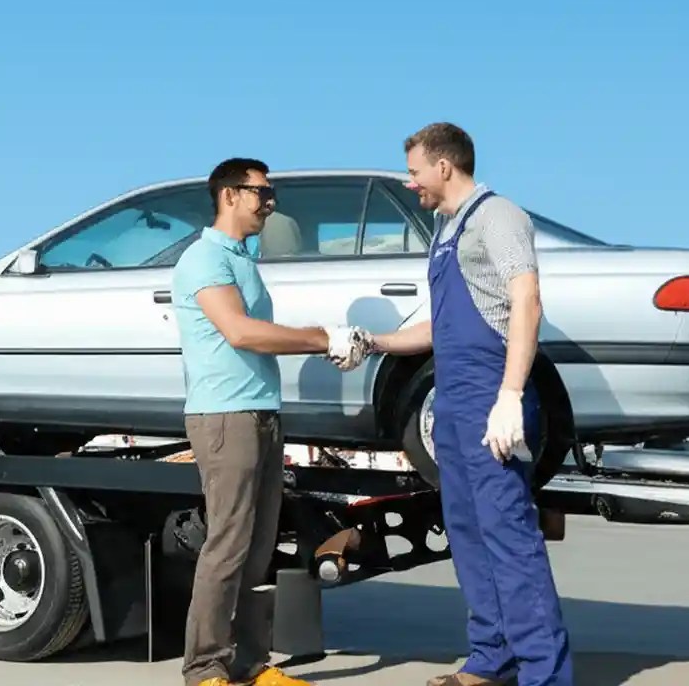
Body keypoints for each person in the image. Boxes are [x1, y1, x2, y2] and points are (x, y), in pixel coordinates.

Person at [363, 123, 574, 686]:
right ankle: (491, 657)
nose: (411, 183)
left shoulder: (497, 216)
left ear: (444, 166)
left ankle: (544, 674)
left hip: (490, 398)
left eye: (413, 172)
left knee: (508, 536)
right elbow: (441, 325)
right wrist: (376, 342)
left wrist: (510, 395)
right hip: (452, 404)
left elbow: (525, 299)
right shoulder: (446, 229)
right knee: (468, 533)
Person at [170, 157, 366, 686]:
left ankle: (252, 665)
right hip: (224, 416)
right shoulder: (202, 259)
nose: (270, 202)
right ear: (229, 195)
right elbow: (242, 333)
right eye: (262, 192)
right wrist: (323, 338)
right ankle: (205, 669)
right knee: (228, 544)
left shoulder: (242, 258)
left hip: (261, 413)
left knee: (258, 547)